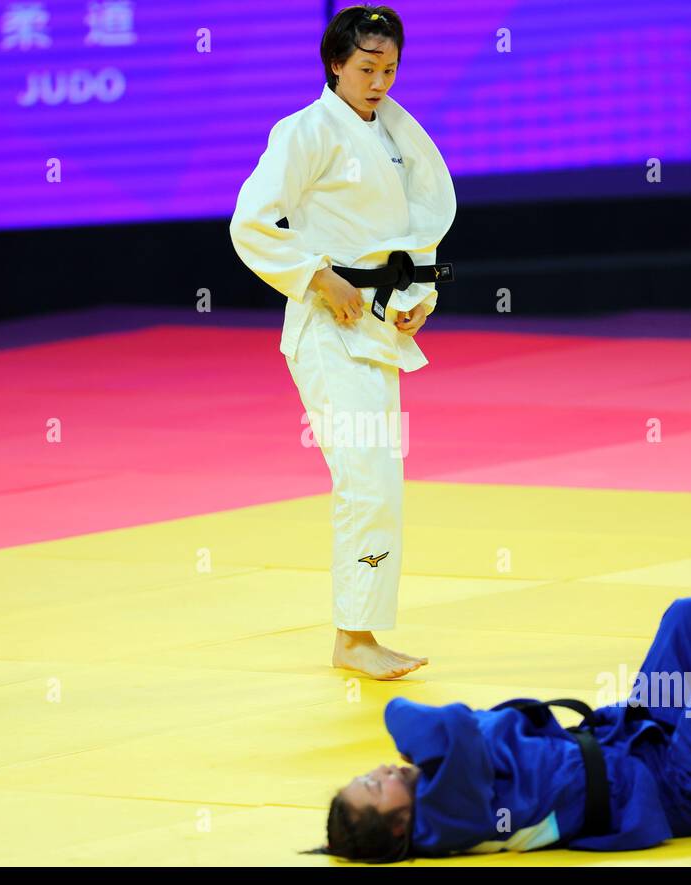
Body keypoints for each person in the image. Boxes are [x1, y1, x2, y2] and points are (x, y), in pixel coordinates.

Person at [230, 5, 456, 680]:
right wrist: (316, 276)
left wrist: (417, 299)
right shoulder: (304, 131)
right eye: (365, 67)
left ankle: (358, 632)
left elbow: (412, 233)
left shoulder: (394, 134)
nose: (379, 80)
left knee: (380, 481)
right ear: (335, 63)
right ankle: (353, 637)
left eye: (389, 68)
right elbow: (252, 222)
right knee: (366, 481)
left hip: (375, 328)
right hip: (327, 331)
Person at [319, 597, 691, 861]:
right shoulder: (448, 814)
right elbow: (414, 717)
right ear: (399, 830)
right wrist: (418, 755)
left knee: (689, 617)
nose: (378, 770)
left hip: (637, 742)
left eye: (363, 776)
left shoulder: (444, 795)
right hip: (681, 789)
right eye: (373, 788)